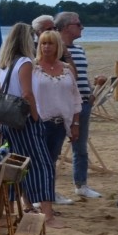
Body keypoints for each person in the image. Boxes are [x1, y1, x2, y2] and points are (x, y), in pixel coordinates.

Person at [0, 22, 58, 222]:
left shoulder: (5, 62)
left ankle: (14, 207)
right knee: (42, 165)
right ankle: (48, 214)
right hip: (24, 120)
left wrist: (5, 95)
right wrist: (35, 115)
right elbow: (27, 93)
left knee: (15, 163)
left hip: (7, 120)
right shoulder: (25, 62)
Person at [31, 29, 82, 224]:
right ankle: (38, 199)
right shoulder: (34, 68)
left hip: (60, 123)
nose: (46, 47)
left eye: (50, 43)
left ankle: (47, 196)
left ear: (57, 46)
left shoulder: (67, 70)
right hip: (38, 122)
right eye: (43, 43)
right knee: (39, 162)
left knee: (51, 162)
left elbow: (75, 97)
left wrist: (75, 123)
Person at [55, 11, 104, 201]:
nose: (82, 27)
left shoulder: (80, 49)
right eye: (78, 24)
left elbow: (82, 75)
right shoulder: (55, 49)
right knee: (54, 149)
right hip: (63, 107)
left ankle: (81, 185)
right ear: (67, 27)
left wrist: (90, 92)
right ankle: (50, 189)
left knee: (80, 147)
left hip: (83, 104)